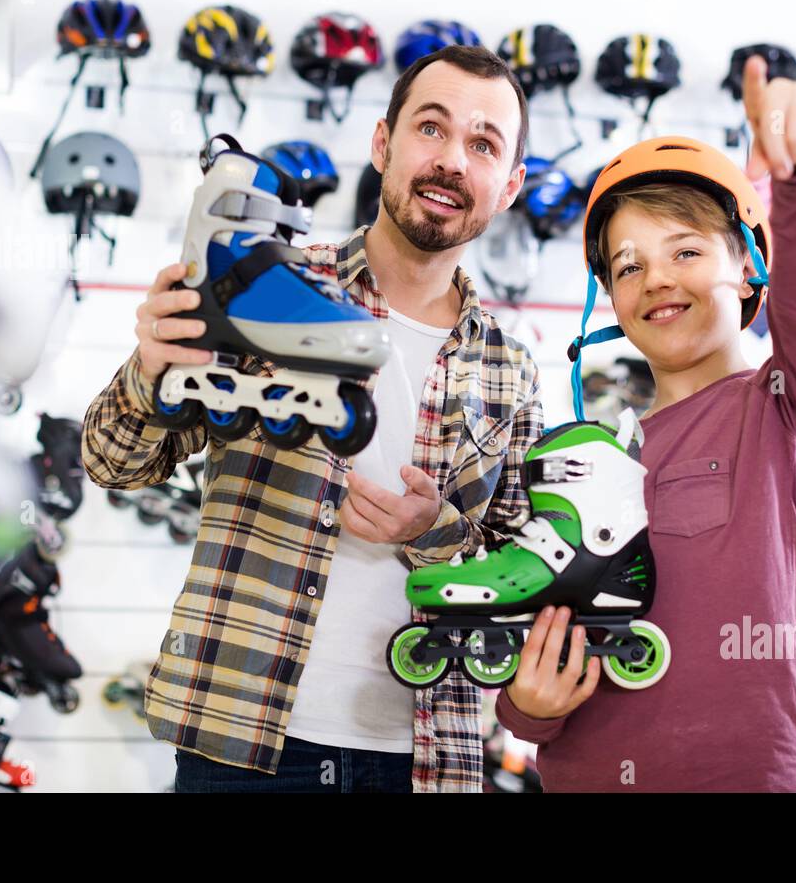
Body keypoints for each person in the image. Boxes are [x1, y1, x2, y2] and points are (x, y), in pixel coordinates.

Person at [81, 45, 542, 793]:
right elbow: (111, 460)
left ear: (511, 184)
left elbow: (519, 579)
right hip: (239, 741)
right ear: (383, 143)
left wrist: (433, 536)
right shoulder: (265, 284)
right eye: (431, 128)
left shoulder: (511, 371)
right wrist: (151, 371)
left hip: (426, 758)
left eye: (483, 144)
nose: (452, 160)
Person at [495, 55, 796, 792]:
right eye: (627, 267)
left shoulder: (787, 409)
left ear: (751, 267)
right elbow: (541, 648)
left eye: (685, 251)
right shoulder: (593, 461)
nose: (656, 277)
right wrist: (526, 709)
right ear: (611, 304)